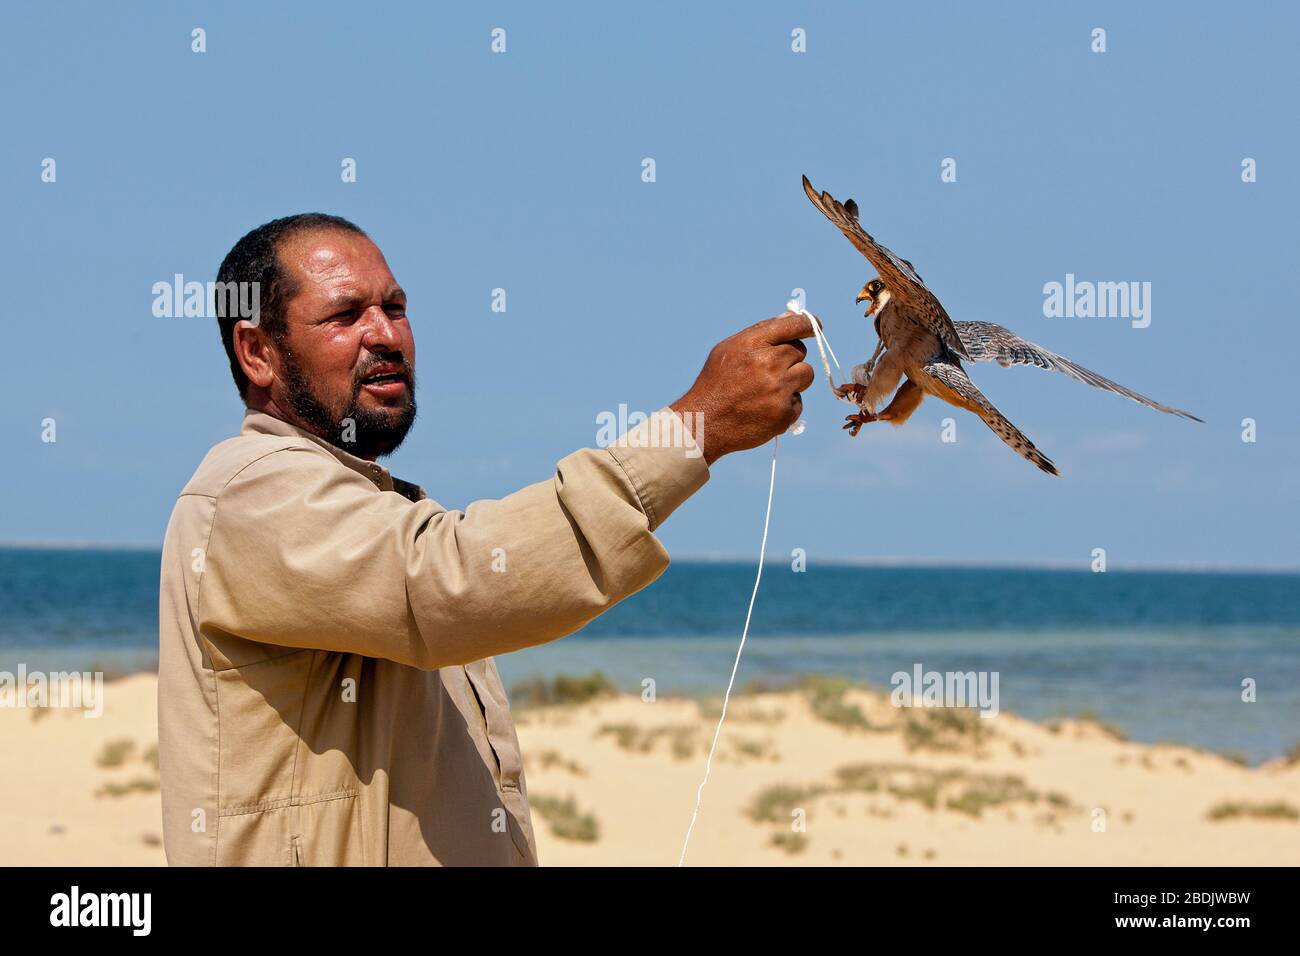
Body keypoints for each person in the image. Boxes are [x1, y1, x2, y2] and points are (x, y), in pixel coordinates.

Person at [157, 213, 816, 865]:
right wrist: (696, 430)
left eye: (395, 306)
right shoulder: (248, 494)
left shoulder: (371, 502)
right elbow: (451, 581)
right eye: (345, 314)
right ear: (258, 352)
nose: (385, 334)